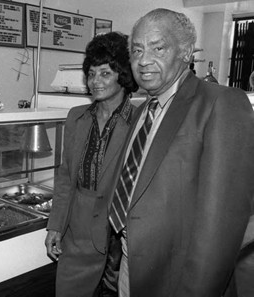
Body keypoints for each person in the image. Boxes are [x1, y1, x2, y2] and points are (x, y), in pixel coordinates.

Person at [96, 8, 254, 297]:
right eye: (137, 50)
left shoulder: (221, 103)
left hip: (181, 279)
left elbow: (222, 226)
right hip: (134, 265)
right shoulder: (144, 110)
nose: (143, 60)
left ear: (185, 52)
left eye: (158, 48)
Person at [45, 31, 138, 297]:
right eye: (92, 73)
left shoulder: (139, 121)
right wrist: (55, 226)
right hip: (76, 232)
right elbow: (65, 178)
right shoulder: (76, 117)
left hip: (117, 236)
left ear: (123, 76)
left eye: (105, 73)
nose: (95, 81)